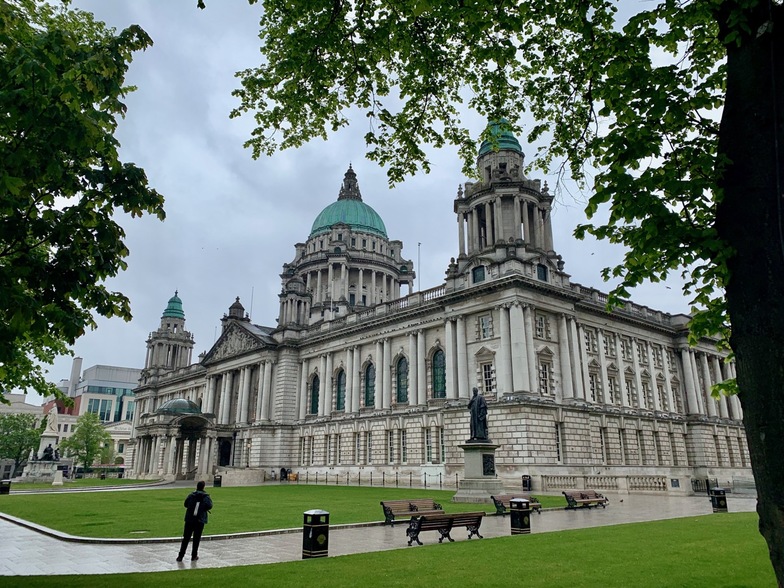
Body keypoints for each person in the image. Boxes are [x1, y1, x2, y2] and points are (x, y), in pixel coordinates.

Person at [177, 480, 213, 562]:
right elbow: (210, 506)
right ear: (203, 487)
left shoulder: (191, 495)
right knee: (196, 539)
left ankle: (180, 556)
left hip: (190, 519)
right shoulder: (206, 496)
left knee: (186, 538)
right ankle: (194, 555)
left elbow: (186, 504)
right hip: (200, 519)